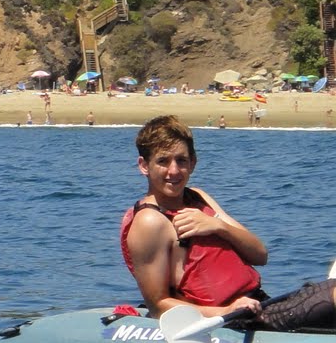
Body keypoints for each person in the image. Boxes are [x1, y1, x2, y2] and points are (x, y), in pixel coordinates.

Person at [119, 116, 336, 329]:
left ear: (193, 163)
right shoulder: (150, 221)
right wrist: (226, 311)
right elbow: (158, 306)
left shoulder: (197, 197)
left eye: (181, 160)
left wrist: (218, 226)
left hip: (259, 304)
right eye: (163, 161)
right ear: (144, 166)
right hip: (227, 320)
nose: (174, 170)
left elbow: (260, 255)